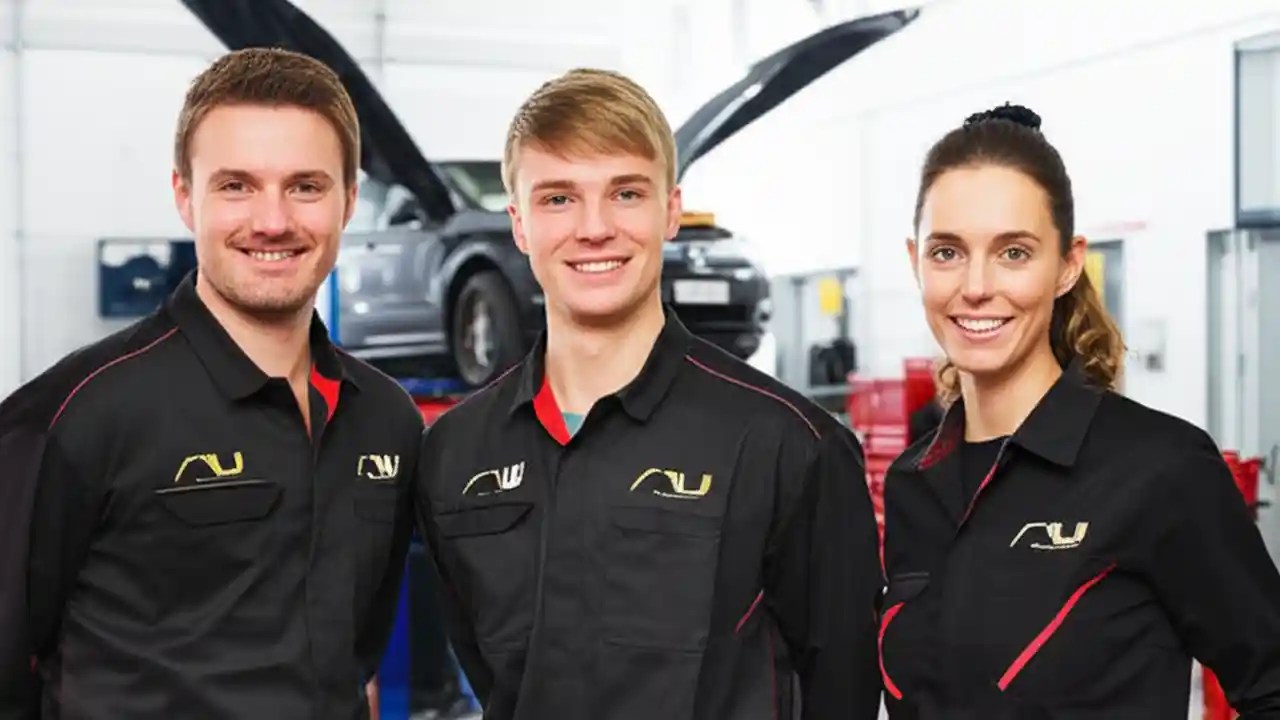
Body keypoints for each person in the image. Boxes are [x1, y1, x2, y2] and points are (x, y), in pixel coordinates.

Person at [414, 68, 884, 720]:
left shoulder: (789, 447)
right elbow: (495, 680)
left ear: (671, 211)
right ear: (519, 224)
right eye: (559, 198)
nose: (595, 227)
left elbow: (843, 692)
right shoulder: (455, 455)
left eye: (626, 193)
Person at [0, 47, 423, 718]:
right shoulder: (75, 416)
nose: (273, 221)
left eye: (305, 186)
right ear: (184, 197)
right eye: (236, 186)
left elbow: (355, 660)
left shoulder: (386, 422)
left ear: (348, 201)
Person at [878, 102, 1280, 718]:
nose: (976, 286)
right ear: (915, 262)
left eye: (1014, 252)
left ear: (1068, 265)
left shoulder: (1158, 469)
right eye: (947, 252)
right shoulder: (913, 483)